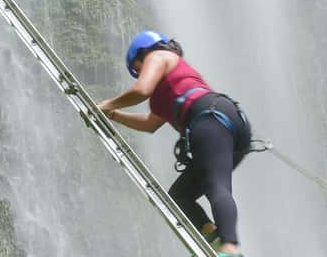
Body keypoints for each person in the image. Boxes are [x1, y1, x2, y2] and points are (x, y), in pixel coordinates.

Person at [97, 31, 251, 257]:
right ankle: (215, 238)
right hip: (229, 125)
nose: (141, 73)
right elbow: (149, 124)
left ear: (142, 54)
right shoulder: (166, 92)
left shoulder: (158, 56)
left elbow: (141, 90)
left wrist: (107, 104)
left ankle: (230, 249)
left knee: (216, 186)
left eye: (138, 69)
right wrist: (114, 114)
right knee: (180, 196)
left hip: (210, 118)